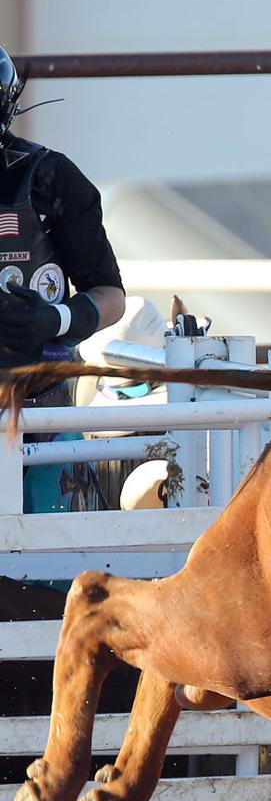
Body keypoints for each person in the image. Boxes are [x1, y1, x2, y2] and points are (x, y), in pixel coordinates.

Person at [0, 47, 125, 512]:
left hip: (41, 407)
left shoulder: (51, 177)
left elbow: (111, 295)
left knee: (59, 567)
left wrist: (54, 318)